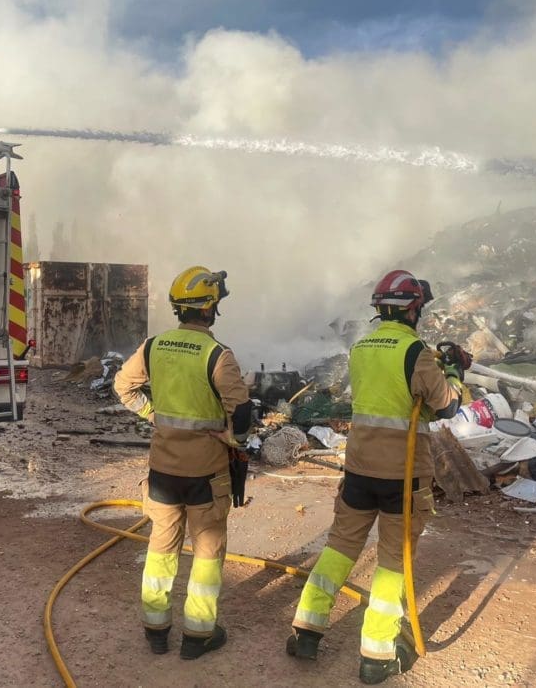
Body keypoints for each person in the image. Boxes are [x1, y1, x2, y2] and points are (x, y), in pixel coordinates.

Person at [285, 269, 471, 684]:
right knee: (392, 559)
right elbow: (445, 407)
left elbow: (393, 393)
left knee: (340, 546)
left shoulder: (362, 347)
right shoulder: (416, 352)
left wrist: (431, 369)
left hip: (359, 468)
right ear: (414, 308)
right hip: (403, 474)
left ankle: (306, 630)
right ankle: (377, 654)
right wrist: (456, 372)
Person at [114, 266, 253, 660]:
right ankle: (198, 635)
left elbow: (123, 387)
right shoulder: (217, 355)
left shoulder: (153, 346)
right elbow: (241, 413)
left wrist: (155, 416)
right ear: (210, 309)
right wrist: (233, 439)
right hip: (206, 475)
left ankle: (156, 630)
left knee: (160, 549)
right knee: (207, 552)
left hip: (162, 471)